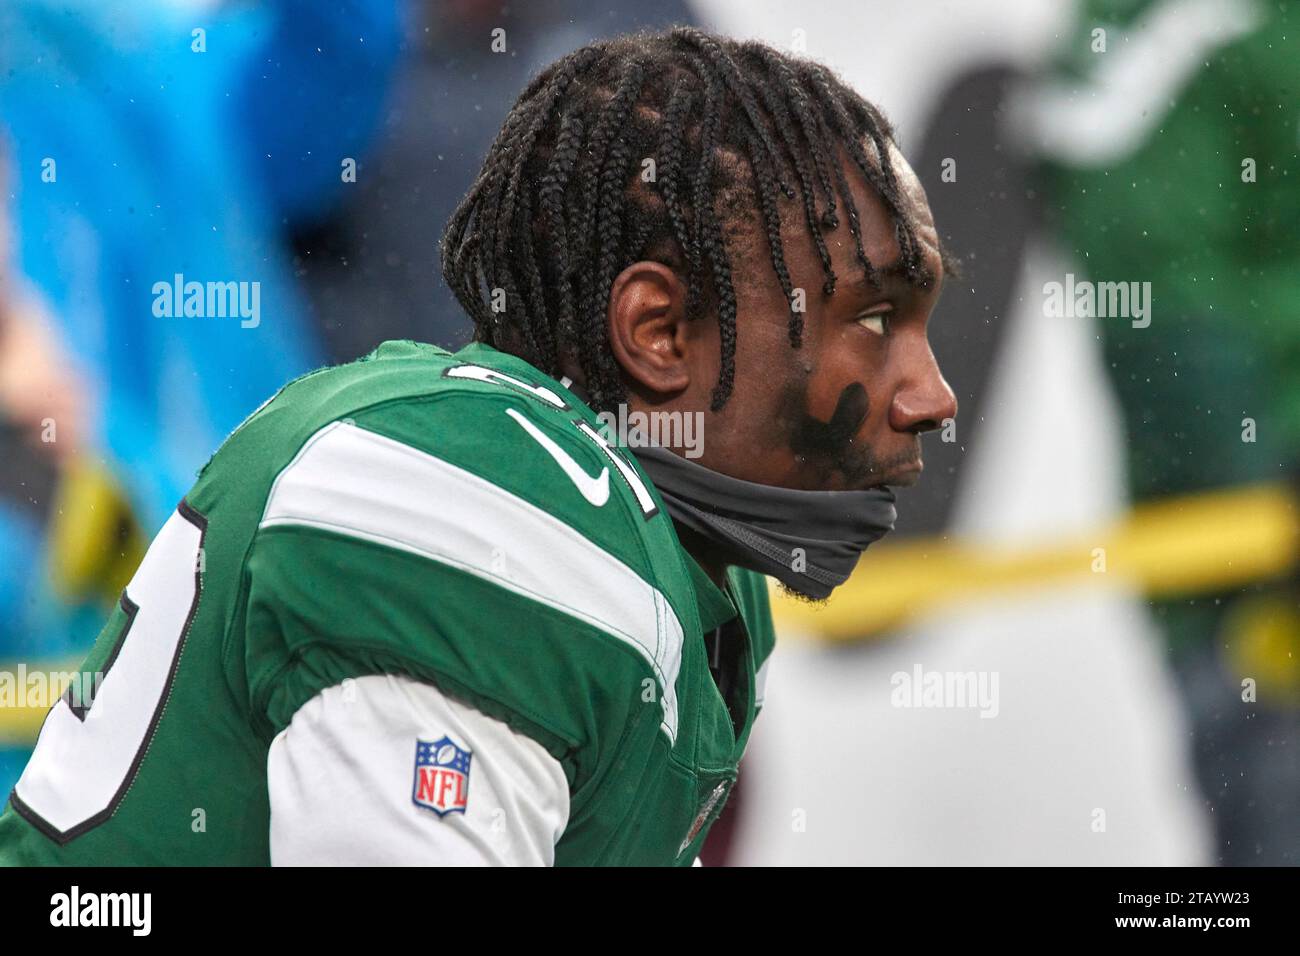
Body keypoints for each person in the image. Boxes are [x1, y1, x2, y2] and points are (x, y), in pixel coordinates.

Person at [0, 27, 956, 866]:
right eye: (874, 321)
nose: (932, 396)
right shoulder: (485, 509)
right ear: (659, 335)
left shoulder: (693, 561)